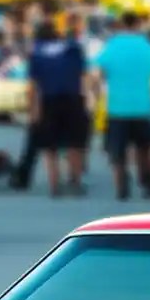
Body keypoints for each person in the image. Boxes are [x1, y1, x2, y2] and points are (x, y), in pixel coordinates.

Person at [94, 11, 150, 200]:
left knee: (118, 151)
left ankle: (122, 186)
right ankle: (148, 183)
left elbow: (98, 73)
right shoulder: (149, 46)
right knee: (144, 149)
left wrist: (96, 95)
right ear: (138, 24)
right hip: (143, 106)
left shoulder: (112, 46)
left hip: (117, 107)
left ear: (121, 24)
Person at [28, 20, 88, 197]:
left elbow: (34, 86)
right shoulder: (73, 50)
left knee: (50, 146)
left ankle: (55, 184)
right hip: (73, 98)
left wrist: (34, 111)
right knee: (75, 143)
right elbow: (82, 75)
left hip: (49, 100)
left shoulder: (37, 54)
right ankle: (75, 181)